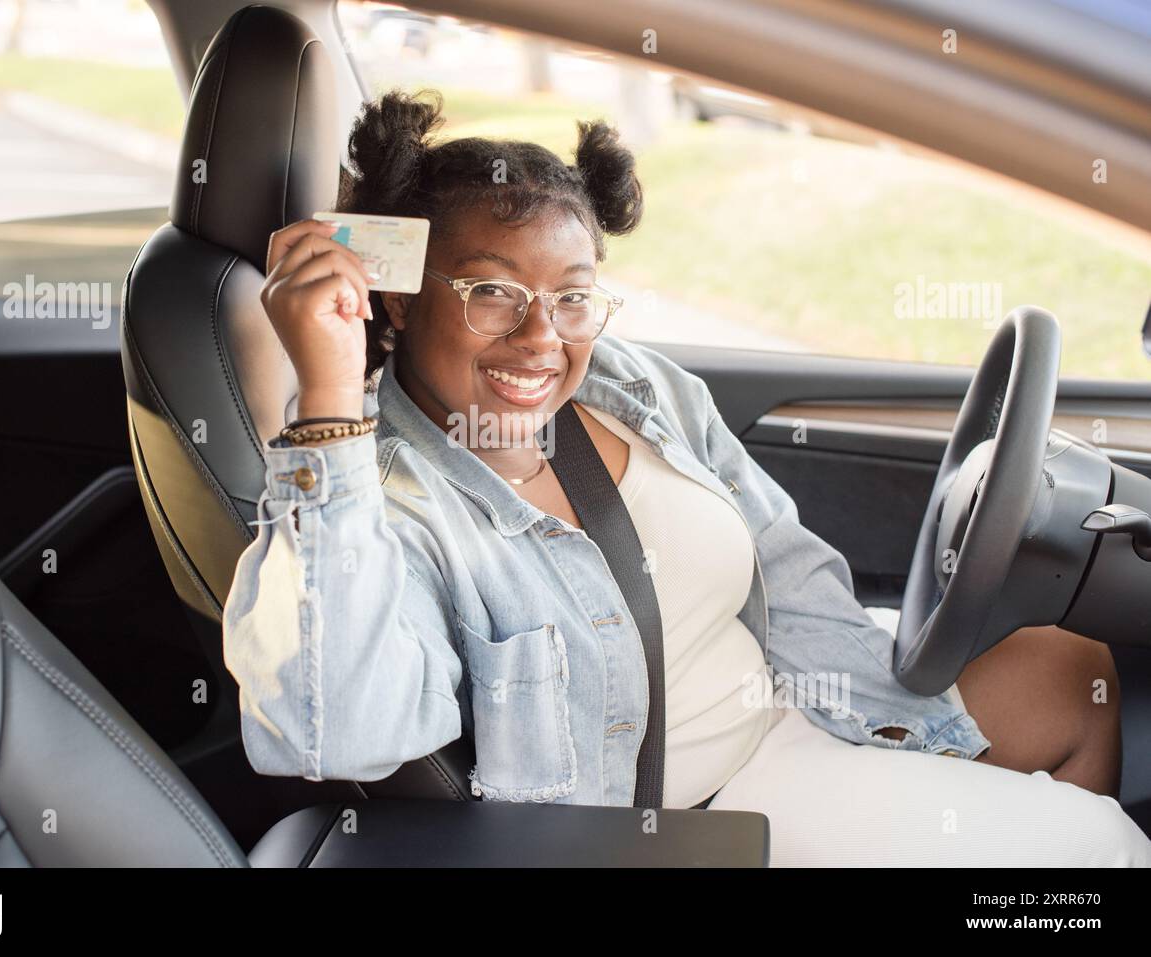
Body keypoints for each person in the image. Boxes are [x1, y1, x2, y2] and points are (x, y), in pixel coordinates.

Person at [223, 90, 1150, 865]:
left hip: (793, 693)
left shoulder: (636, 386)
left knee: (1076, 672)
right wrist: (331, 390)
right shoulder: (383, 500)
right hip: (695, 816)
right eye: (492, 290)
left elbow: (780, 554)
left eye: (573, 294)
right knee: (1100, 849)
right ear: (399, 290)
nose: (542, 336)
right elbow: (333, 729)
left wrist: (885, 688)